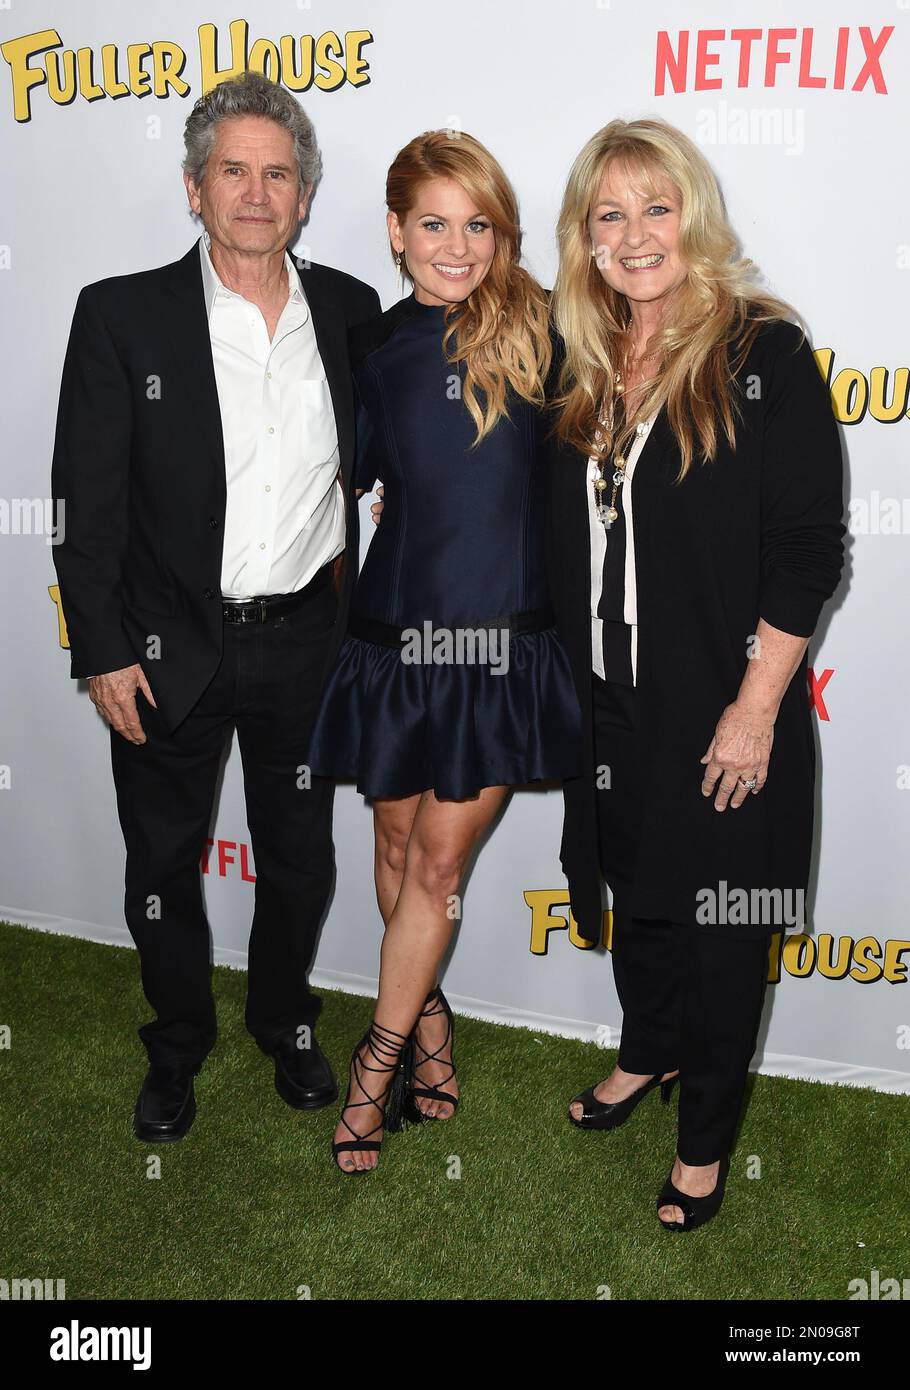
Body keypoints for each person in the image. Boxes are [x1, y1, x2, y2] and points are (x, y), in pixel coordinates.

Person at [50, 72, 379, 1143]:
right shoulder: (120, 314)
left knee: (298, 855)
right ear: (194, 189)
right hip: (164, 649)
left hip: (307, 645)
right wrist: (100, 648)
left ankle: (284, 1020)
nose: (255, 191)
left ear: (306, 193)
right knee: (161, 863)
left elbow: (377, 469)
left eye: (276, 172)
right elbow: (86, 503)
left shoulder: (348, 309)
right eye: (232, 170)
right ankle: (176, 1043)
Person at [545, 118, 845, 1230]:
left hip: (722, 709)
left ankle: (705, 1140)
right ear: (586, 237)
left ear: (694, 217)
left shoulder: (759, 353)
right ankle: (648, 1051)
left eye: (653, 207)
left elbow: (807, 547)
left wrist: (756, 707)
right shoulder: (579, 362)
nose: (632, 235)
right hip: (612, 702)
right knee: (645, 901)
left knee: (722, 929)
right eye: (607, 214)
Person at [306, 130, 583, 1173]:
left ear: (504, 234)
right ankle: (429, 1026)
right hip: (389, 640)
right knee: (389, 851)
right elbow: (365, 482)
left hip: (502, 649)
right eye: (433, 223)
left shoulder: (551, 335)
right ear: (395, 229)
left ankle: (371, 1071)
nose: (456, 246)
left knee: (435, 859)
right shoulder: (371, 348)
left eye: (479, 225)